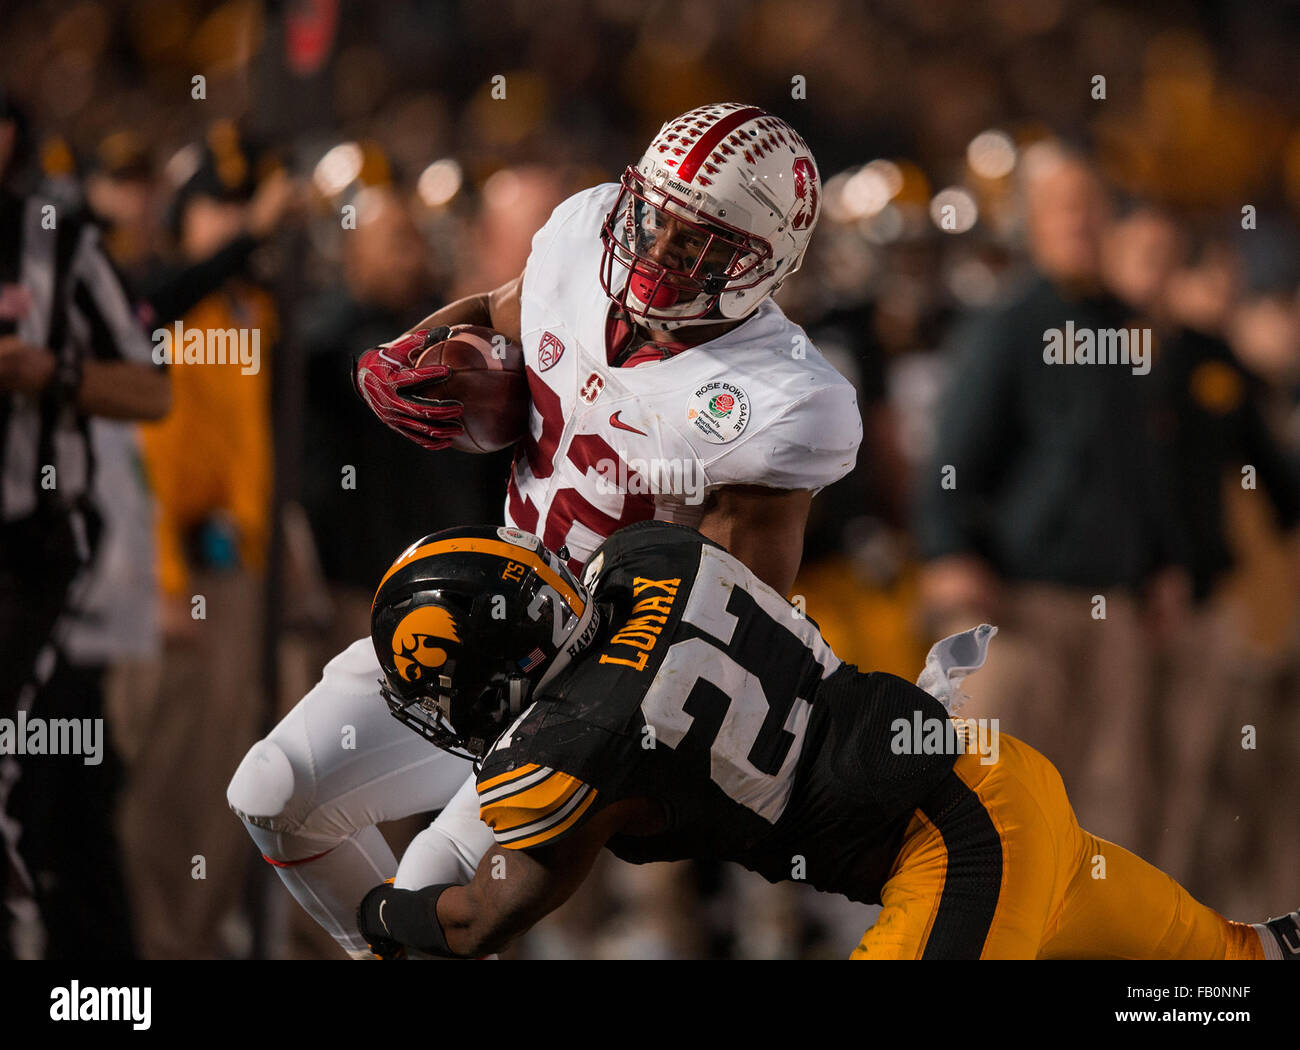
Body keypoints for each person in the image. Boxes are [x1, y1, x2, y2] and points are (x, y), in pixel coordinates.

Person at [228, 103, 862, 957]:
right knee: (272, 791)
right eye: (653, 217)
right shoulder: (580, 237)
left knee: (432, 881)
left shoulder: (781, 402)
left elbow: (734, 615)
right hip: (488, 600)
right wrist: (423, 347)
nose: (658, 251)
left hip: (602, 672)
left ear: (766, 264)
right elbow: (502, 309)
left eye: (699, 243)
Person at [355, 520, 1299, 960]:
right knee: (1232, 967)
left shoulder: (567, 750)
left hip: (951, 853)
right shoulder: (652, 557)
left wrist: (379, 913)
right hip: (991, 772)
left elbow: (483, 921)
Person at [0, 87, 170, 957]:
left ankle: (96, 987)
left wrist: (50, 374)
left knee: (64, 792)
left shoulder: (60, 247)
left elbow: (153, 383)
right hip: (83, 582)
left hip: (47, 570)